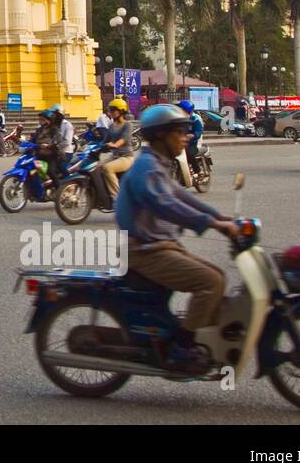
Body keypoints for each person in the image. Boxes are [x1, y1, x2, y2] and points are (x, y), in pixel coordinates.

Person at [116, 103, 238, 370]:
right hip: (145, 251)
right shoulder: (148, 168)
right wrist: (213, 224)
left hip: (161, 245)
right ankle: (182, 347)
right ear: (161, 135)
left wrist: (220, 217)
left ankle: (200, 337)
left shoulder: (158, 163)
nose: (187, 136)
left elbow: (182, 196)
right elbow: (166, 205)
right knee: (210, 282)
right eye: (180, 131)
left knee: (217, 276)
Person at [100, 98, 135, 198]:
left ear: (121, 111)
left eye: (113, 110)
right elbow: (105, 141)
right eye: (110, 110)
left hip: (126, 157)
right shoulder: (112, 126)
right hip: (115, 156)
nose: (110, 112)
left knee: (107, 168)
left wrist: (115, 145)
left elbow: (124, 139)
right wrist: (93, 146)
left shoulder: (128, 125)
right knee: (96, 167)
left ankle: (117, 197)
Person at [177, 100, 203, 164]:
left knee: (188, 153)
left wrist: (193, 135)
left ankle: (198, 170)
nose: (181, 111)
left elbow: (199, 131)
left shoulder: (195, 119)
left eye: (183, 110)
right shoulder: (177, 119)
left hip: (193, 143)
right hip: (179, 143)